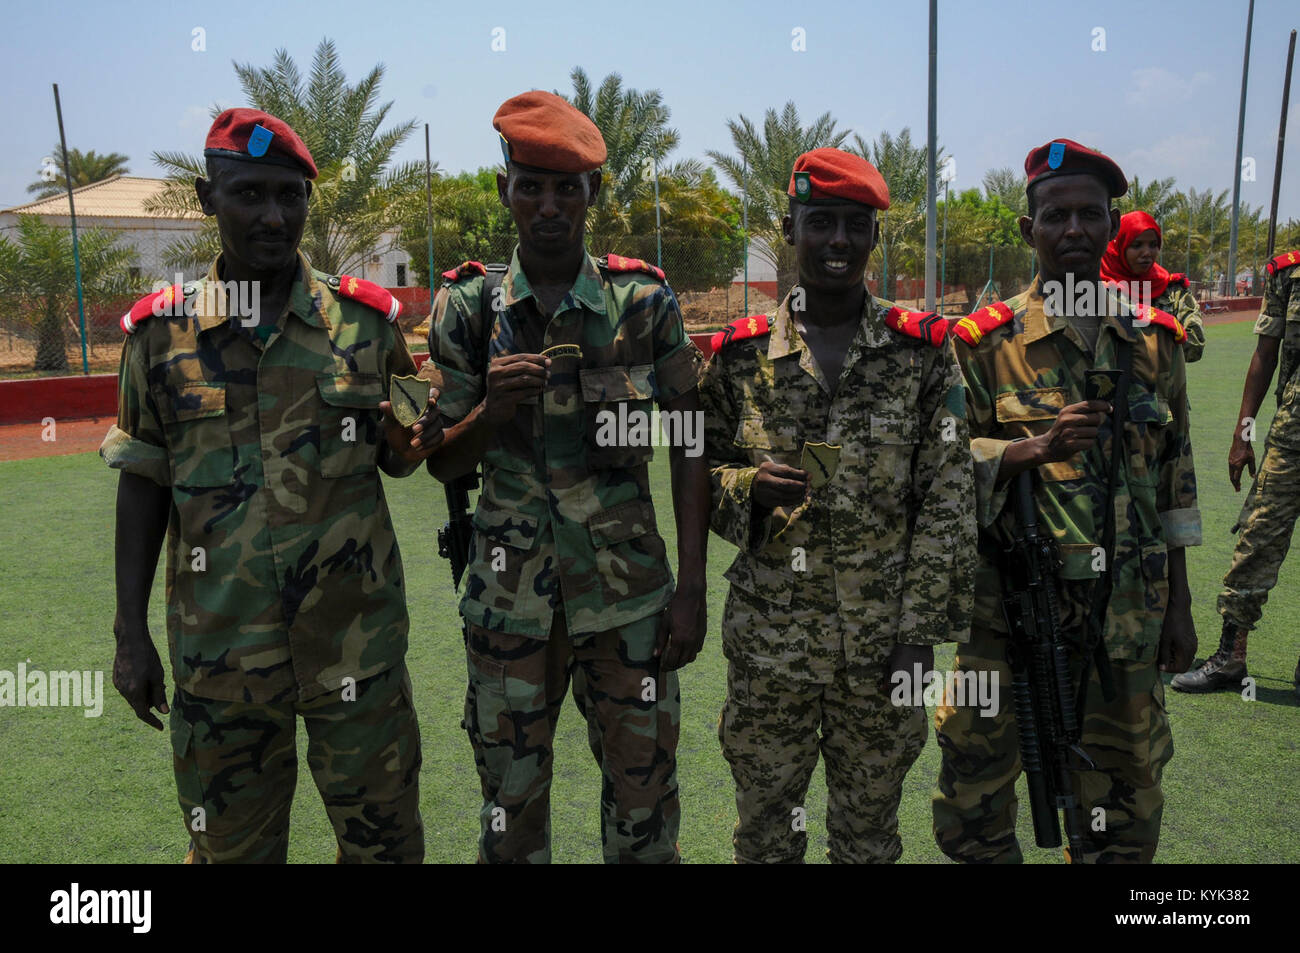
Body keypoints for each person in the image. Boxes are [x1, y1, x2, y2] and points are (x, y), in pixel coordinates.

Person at [101, 109, 438, 863]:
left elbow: (408, 446)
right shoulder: (159, 339)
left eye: (290, 197)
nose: (273, 216)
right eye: (249, 193)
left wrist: (419, 433)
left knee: (388, 851)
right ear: (206, 196)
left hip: (356, 653)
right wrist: (130, 634)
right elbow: (141, 485)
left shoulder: (366, 324)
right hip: (222, 664)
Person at [419, 90, 709, 864]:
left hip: (630, 605)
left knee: (645, 810)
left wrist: (690, 587)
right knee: (511, 813)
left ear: (592, 194)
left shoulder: (642, 303)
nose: (549, 205)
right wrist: (486, 410)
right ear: (505, 188)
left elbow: (688, 441)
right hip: (509, 611)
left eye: (566, 187)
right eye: (531, 185)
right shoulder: (467, 308)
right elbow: (438, 459)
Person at [699, 147, 975, 863]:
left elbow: (947, 497)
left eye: (856, 226)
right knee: (765, 837)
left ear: (875, 238)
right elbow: (699, 471)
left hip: (883, 650)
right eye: (821, 223)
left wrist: (920, 636)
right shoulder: (737, 357)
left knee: (870, 840)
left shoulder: (922, 355)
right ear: (790, 229)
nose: (839, 242)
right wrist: (745, 489)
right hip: (770, 648)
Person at [933, 138, 1200, 864]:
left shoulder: (1156, 344)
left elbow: (1176, 475)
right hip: (1010, 616)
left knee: (1124, 808)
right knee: (973, 809)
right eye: (1056, 216)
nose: (1074, 229)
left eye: (1090, 214)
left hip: (1128, 621)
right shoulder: (981, 346)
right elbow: (939, 469)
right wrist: (1027, 450)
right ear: (1030, 230)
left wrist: (1179, 602)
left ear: (1112, 226)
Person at [1174, 248, 1300, 696]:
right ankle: (1231, 657)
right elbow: (1265, 354)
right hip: (1292, 439)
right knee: (1257, 538)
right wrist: (1242, 434)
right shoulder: (1290, 273)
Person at [1100, 209, 1206, 362]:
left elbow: (1194, 347)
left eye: (1153, 245)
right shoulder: (1098, 287)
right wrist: (1165, 326)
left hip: (1162, 384)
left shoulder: (1172, 290)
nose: (1147, 253)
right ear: (1119, 246)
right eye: (1136, 245)